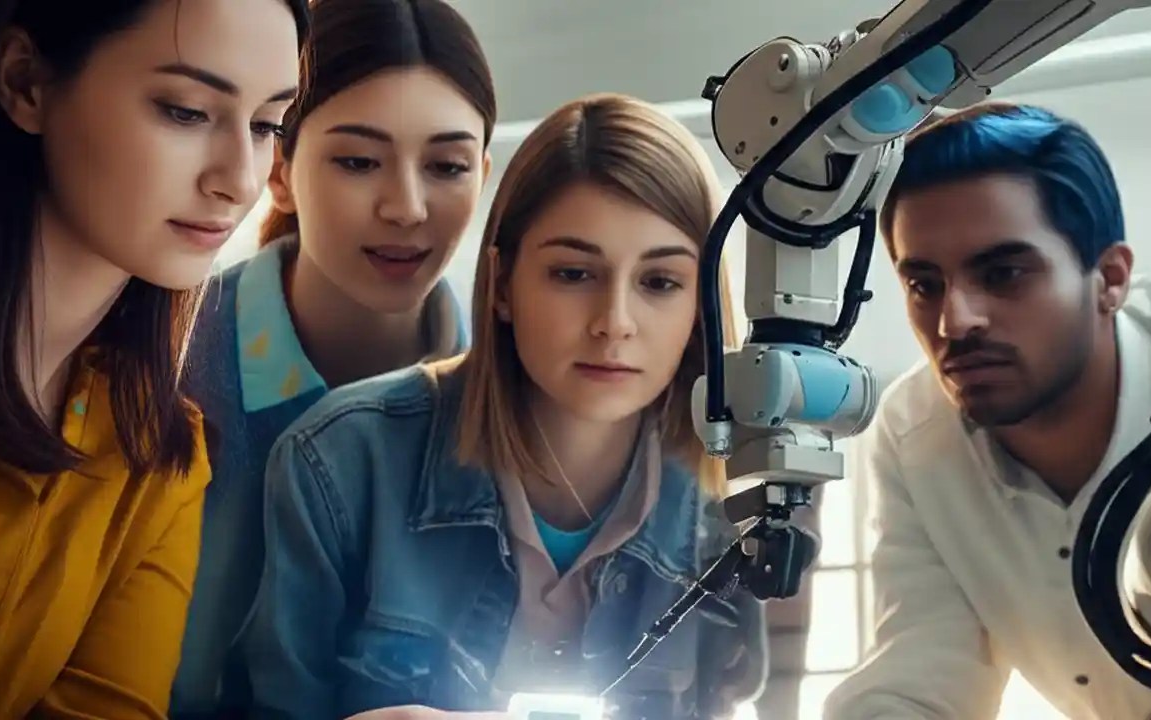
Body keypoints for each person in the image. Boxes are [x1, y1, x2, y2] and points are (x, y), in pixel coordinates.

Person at [242, 92, 768, 720]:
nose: (614, 322)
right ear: (501, 285)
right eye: (573, 273)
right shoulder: (339, 461)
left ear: (701, 306)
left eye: (659, 282)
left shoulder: (741, 503)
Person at [822, 101, 1151, 720]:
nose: (955, 321)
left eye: (1003, 274)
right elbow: (923, 667)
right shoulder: (915, 433)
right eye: (924, 285)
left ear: (1110, 278)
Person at [0, 0, 306, 717]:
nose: (240, 179)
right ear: (25, 82)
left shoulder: (154, 451)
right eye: (187, 111)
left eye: (267, 126)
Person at [171, 0, 493, 716]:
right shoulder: (162, 362)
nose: (407, 207)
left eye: (446, 165)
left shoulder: (505, 405)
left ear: (484, 172)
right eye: (357, 161)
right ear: (279, 169)